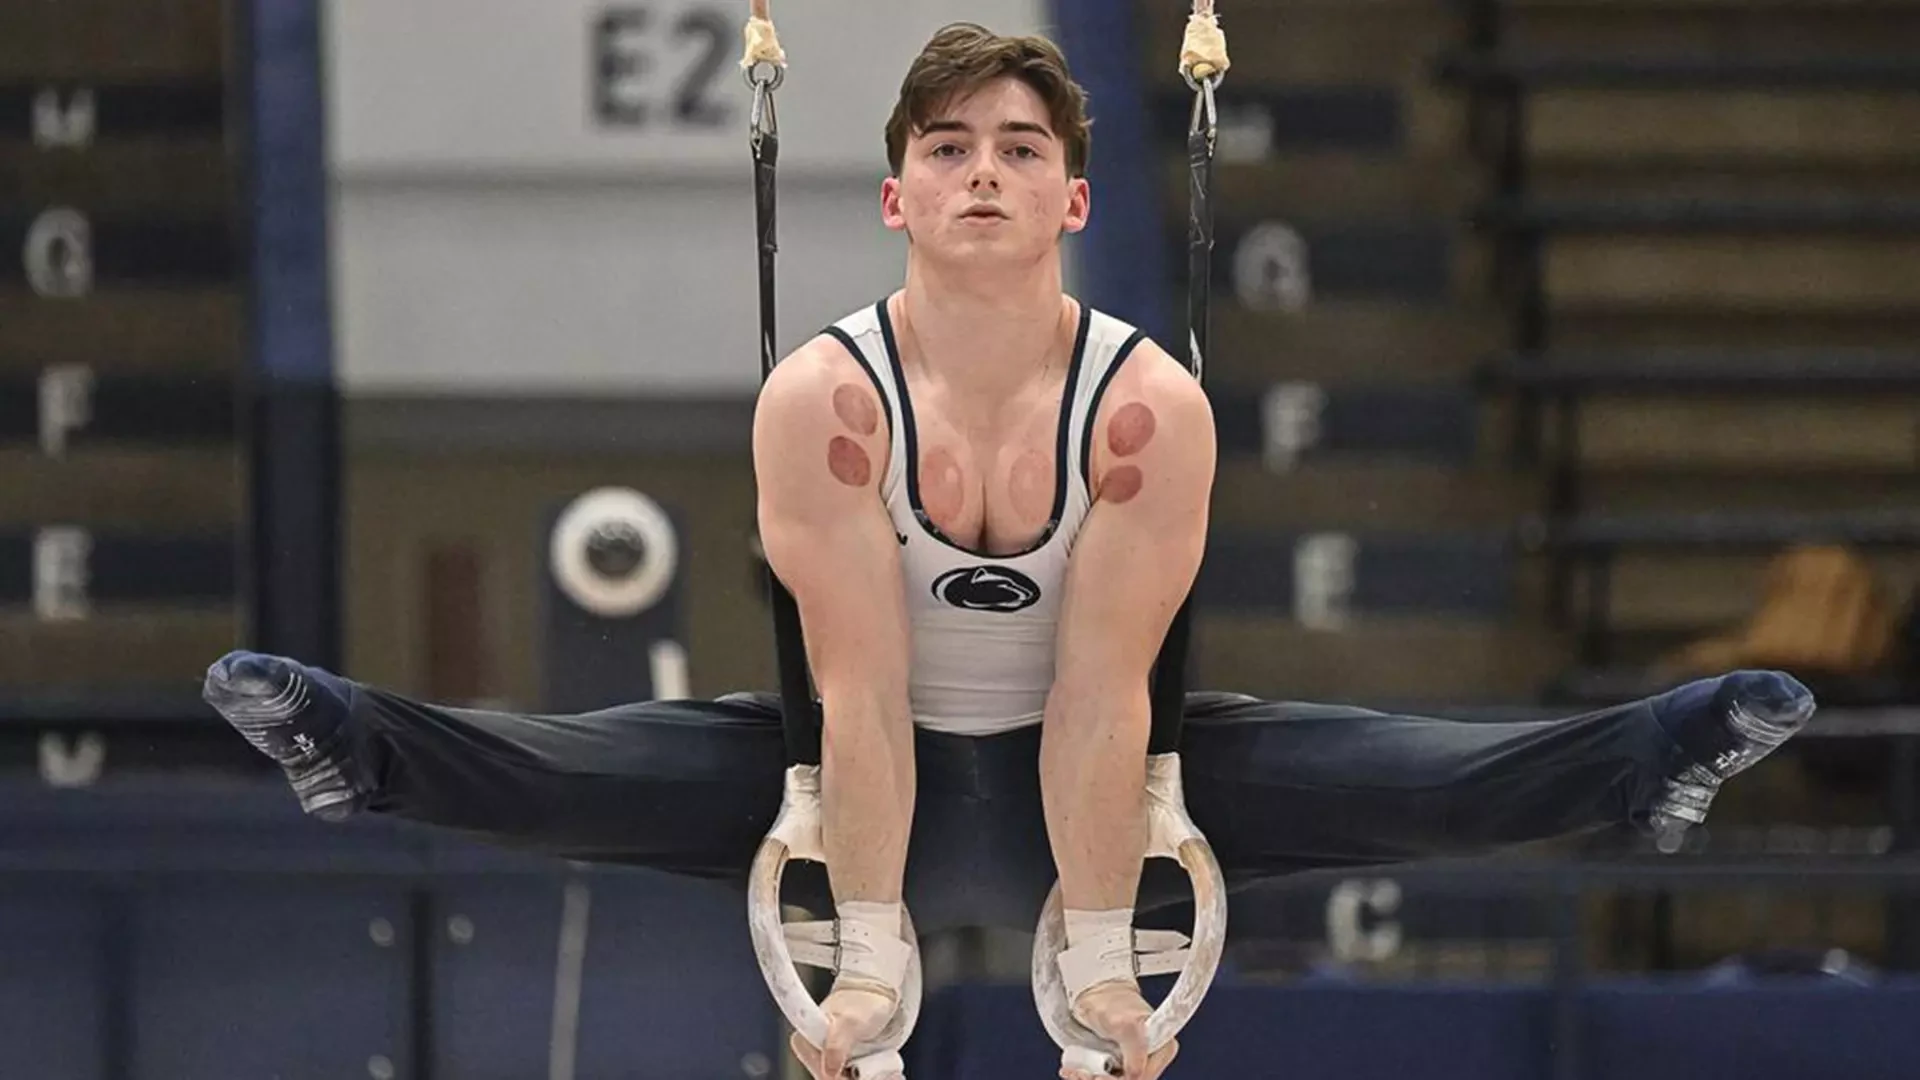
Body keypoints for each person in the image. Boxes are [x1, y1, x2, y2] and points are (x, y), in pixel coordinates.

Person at [202, 24, 1816, 1080]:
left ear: (1075, 196)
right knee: (576, 766)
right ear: (896, 195)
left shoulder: (1147, 406)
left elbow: (1111, 695)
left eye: (1021, 150)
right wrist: (868, 975)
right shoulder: (825, 401)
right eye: (954, 149)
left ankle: (1658, 751)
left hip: (1107, 775)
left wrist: (1108, 961)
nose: (987, 171)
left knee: (1411, 773)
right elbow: (859, 693)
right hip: (858, 765)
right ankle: (353, 743)